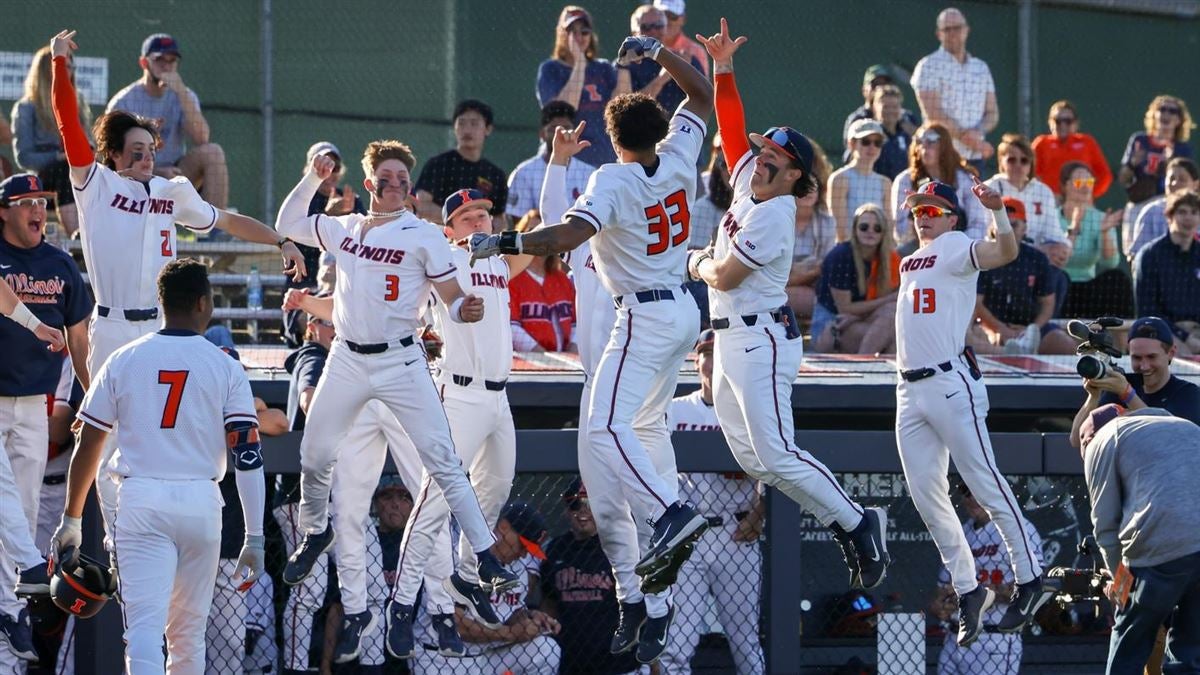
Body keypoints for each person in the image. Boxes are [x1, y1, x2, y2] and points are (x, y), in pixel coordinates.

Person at [472, 28, 714, 663]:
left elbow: (562, 233)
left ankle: (671, 514)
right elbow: (702, 95)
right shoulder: (681, 157)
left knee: (613, 440)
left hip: (641, 328)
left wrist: (503, 243)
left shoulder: (612, 183)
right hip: (672, 324)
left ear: (612, 140)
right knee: (610, 514)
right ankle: (645, 608)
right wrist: (661, 56)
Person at [50, 28, 306, 536]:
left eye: (150, 149)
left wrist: (280, 240)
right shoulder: (96, 184)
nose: (146, 157)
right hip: (114, 328)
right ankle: (119, 546)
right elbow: (68, 126)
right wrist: (60, 64)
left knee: (162, 436)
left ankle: (162, 534)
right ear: (116, 156)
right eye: (137, 150)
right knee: (105, 442)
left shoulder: (172, 190)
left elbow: (229, 221)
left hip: (163, 330)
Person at [688, 18, 890, 596]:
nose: (762, 157)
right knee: (756, 462)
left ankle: (856, 522)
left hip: (760, 340)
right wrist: (723, 69)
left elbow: (723, 272)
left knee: (776, 453)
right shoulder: (755, 177)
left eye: (776, 155)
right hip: (728, 338)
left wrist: (694, 261)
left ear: (798, 173)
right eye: (764, 150)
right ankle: (846, 521)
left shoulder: (779, 213)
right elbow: (731, 129)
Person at [274, 138, 519, 610]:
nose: (396, 186)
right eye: (386, 180)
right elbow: (287, 224)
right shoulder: (346, 227)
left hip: (401, 359)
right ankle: (313, 531)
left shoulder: (424, 234)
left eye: (403, 181)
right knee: (314, 453)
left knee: (443, 461)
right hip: (347, 356)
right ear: (370, 184)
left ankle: (485, 557)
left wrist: (463, 309)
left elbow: (449, 296)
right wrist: (314, 178)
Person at [49, 258, 266, 674]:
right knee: (188, 635)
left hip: (142, 499)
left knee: (145, 634)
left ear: (161, 302)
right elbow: (248, 455)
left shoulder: (124, 358)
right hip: (202, 501)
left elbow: (89, 442)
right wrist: (254, 535)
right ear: (204, 303)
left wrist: (72, 518)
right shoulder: (225, 365)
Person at [375, 187, 533, 660]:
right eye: (467, 217)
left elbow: (538, 245)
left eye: (484, 214)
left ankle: (467, 575)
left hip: (499, 399)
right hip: (459, 395)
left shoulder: (499, 261)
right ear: (449, 229)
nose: (479, 222)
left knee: (492, 494)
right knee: (433, 505)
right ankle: (401, 606)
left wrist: (559, 164)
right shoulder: (445, 259)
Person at [893, 178, 1045, 648]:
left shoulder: (955, 243)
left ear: (952, 218)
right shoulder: (907, 260)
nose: (924, 215)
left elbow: (1004, 253)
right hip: (909, 388)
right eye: (918, 208)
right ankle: (969, 589)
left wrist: (997, 212)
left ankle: (1030, 578)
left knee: (984, 482)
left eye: (933, 209)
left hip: (948, 382)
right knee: (926, 497)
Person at [658, 330, 765, 675]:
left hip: (735, 530)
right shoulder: (674, 409)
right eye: (706, 353)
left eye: (719, 353)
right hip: (688, 534)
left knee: (745, 640)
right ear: (696, 360)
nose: (712, 360)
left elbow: (771, 468)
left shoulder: (747, 410)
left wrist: (759, 514)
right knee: (677, 642)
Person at [1078, 404, 1200, 674]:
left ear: (1088, 439)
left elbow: (1105, 528)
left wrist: (1121, 587)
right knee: (1190, 654)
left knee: (1129, 645)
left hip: (1162, 543)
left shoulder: (1104, 439)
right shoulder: (1186, 425)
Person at [411, 502, 562, 675]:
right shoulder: (460, 552)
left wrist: (529, 618)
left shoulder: (516, 565)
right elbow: (452, 623)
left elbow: (510, 610)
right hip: (438, 657)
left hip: (483, 656)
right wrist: (511, 633)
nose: (523, 555)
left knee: (546, 650)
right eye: (523, 545)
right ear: (503, 527)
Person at [931, 482, 1043, 675]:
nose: (972, 499)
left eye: (977, 491)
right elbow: (942, 590)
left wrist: (980, 594)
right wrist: (941, 605)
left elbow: (1034, 588)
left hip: (994, 638)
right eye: (966, 493)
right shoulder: (960, 533)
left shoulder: (1018, 529)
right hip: (953, 637)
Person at [107, 33, 229, 208]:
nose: (166, 66)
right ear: (144, 63)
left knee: (213, 153)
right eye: (159, 60)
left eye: (171, 61)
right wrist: (154, 172)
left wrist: (180, 91)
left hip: (175, 174)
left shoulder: (184, 95)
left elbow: (202, 138)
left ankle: (215, 232)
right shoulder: (124, 102)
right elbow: (111, 162)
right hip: (134, 179)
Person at [540, 477, 643, 675]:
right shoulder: (556, 549)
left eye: (589, 504)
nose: (582, 512)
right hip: (570, 661)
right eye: (575, 504)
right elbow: (549, 601)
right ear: (566, 509)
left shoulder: (619, 547)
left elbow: (638, 604)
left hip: (617, 662)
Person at [280, 141, 367, 348]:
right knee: (305, 323)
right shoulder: (301, 201)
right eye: (321, 165)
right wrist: (329, 217)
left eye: (334, 167)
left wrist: (344, 218)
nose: (329, 171)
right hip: (305, 280)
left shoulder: (352, 201)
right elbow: (292, 240)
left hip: (343, 284)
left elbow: (365, 244)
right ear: (309, 168)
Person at [1069, 316, 1200, 449]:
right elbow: (1076, 441)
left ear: (1171, 353)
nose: (1144, 366)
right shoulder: (1120, 385)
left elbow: (1166, 439)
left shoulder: (1188, 393)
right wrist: (1093, 397)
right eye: (1136, 358)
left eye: (1151, 357)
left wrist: (1127, 394)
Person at [969, 197, 1076, 356]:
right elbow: (976, 305)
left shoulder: (1037, 258)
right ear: (992, 227)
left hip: (1031, 327)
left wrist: (1031, 330)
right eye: (1002, 223)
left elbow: (1047, 304)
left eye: (1013, 224)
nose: (1007, 229)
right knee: (975, 337)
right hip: (990, 327)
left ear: (1024, 228)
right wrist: (1001, 329)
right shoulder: (982, 255)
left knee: (1066, 346)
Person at [11, 46, 90, 238]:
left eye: (70, 67)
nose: (68, 72)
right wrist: (58, 156)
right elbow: (24, 158)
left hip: (74, 170)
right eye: (62, 67)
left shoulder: (76, 104)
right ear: (47, 71)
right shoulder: (26, 108)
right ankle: (78, 240)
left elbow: (86, 140)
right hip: (41, 178)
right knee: (64, 168)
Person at [910, 8, 998, 175]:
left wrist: (978, 133)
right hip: (939, 159)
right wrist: (971, 140)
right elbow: (933, 113)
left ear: (966, 30)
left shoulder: (981, 68)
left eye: (957, 28)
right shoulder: (928, 65)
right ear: (938, 34)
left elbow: (992, 113)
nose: (953, 34)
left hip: (975, 160)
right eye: (947, 29)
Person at [537, 6, 625, 166]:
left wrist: (625, 66)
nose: (578, 36)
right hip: (568, 160)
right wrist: (579, 63)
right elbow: (563, 110)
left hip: (605, 157)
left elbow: (621, 109)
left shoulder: (604, 68)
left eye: (584, 31)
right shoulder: (550, 69)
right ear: (561, 34)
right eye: (571, 31)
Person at [811, 203, 900, 354]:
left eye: (877, 228)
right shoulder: (841, 255)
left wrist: (854, 317)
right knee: (890, 334)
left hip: (857, 319)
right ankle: (864, 365)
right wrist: (889, 298)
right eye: (864, 227)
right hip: (831, 326)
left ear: (883, 233)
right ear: (855, 229)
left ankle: (871, 369)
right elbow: (844, 309)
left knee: (892, 314)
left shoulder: (890, 258)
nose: (870, 232)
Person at [1118, 95, 1195, 257]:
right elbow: (1123, 179)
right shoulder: (1139, 140)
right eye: (1162, 109)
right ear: (1154, 114)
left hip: (1167, 206)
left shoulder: (1182, 149)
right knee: (1134, 253)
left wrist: (1168, 163)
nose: (1166, 114)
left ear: (1179, 120)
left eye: (1172, 111)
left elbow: (1185, 181)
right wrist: (1132, 163)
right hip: (1138, 203)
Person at [414, 99, 509, 228]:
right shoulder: (437, 165)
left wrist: (489, 238)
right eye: (461, 123)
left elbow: (499, 218)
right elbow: (422, 205)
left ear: (488, 129)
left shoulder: (496, 174)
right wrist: (459, 224)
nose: (467, 130)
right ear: (454, 127)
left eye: (474, 124)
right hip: (440, 237)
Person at [891, 123, 986, 246]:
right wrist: (918, 212)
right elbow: (899, 230)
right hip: (918, 248)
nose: (924, 146)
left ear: (944, 146)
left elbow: (978, 225)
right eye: (920, 141)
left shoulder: (964, 178)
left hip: (958, 247)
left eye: (931, 141)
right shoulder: (905, 180)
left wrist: (955, 245)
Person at [1056, 162, 1130, 319]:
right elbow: (1059, 259)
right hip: (1058, 287)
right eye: (1079, 182)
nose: (1085, 187)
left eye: (1089, 182)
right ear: (1065, 185)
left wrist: (1104, 233)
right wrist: (1074, 226)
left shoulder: (1101, 218)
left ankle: (1123, 341)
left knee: (1117, 279)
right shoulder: (1052, 217)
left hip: (1088, 288)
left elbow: (1110, 263)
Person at [1132, 189, 1200, 352]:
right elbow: (1147, 311)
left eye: (1194, 212)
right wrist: (1184, 336)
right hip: (1164, 332)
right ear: (1169, 216)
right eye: (1182, 212)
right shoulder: (1150, 255)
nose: (1188, 218)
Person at [506, 102, 596, 223]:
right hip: (539, 239)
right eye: (554, 128)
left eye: (567, 128)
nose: (561, 133)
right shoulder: (523, 172)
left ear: (576, 133)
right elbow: (519, 222)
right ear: (542, 134)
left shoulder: (590, 173)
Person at [983, 133, 1070, 251]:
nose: (1018, 165)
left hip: (1034, 257)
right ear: (1001, 161)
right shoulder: (988, 188)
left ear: (1031, 163)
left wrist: (1063, 247)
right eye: (1011, 160)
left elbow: (1053, 232)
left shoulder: (1043, 192)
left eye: (1024, 161)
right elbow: (981, 231)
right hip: (997, 254)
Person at [509, 212, 576, 352]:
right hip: (528, 361)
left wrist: (573, 347)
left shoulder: (562, 279)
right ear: (520, 237)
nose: (539, 238)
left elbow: (577, 322)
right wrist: (541, 354)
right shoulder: (511, 278)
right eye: (531, 232)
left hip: (567, 361)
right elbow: (511, 326)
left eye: (545, 233)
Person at [623, 5, 705, 117]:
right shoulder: (625, 65)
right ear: (634, 33)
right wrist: (661, 79)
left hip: (681, 129)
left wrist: (685, 72)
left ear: (666, 28)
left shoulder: (685, 59)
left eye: (658, 26)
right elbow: (628, 112)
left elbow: (704, 98)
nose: (653, 31)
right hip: (642, 131)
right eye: (646, 27)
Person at [786, 141, 838, 320]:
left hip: (813, 288)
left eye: (814, 187)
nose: (809, 191)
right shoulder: (779, 220)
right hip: (777, 287)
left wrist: (799, 275)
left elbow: (825, 267)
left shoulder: (828, 222)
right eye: (804, 186)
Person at [842, 66, 920, 173]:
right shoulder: (858, 119)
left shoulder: (907, 122)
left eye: (894, 107)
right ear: (875, 107)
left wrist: (915, 133)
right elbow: (849, 156)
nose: (890, 111)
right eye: (886, 107)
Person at [1031, 100, 1112, 199]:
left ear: (1076, 123)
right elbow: (1031, 174)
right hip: (1050, 201)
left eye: (1067, 121)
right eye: (1058, 121)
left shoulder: (1087, 142)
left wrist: (1090, 194)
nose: (1062, 125)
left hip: (1080, 201)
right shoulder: (1041, 143)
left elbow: (1105, 176)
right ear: (1050, 123)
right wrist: (1044, 196)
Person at [829, 119, 893, 240]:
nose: (872, 147)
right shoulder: (840, 179)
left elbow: (888, 228)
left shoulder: (885, 183)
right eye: (866, 141)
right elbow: (840, 232)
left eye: (877, 142)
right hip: (848, 252)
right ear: (851, 144)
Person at [1127, 157, 1199, 263]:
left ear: (1196, 185)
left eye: (1182, 179)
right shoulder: (1151, 212)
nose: (1175, 183)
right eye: (1171, 179)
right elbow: (1136, 257)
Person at [652, 0, 709, 77]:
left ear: (683, 19)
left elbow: (702, 87)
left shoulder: (696, 51)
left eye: (672, 16)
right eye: (661, 15)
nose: (666, 21)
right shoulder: (643, 47)